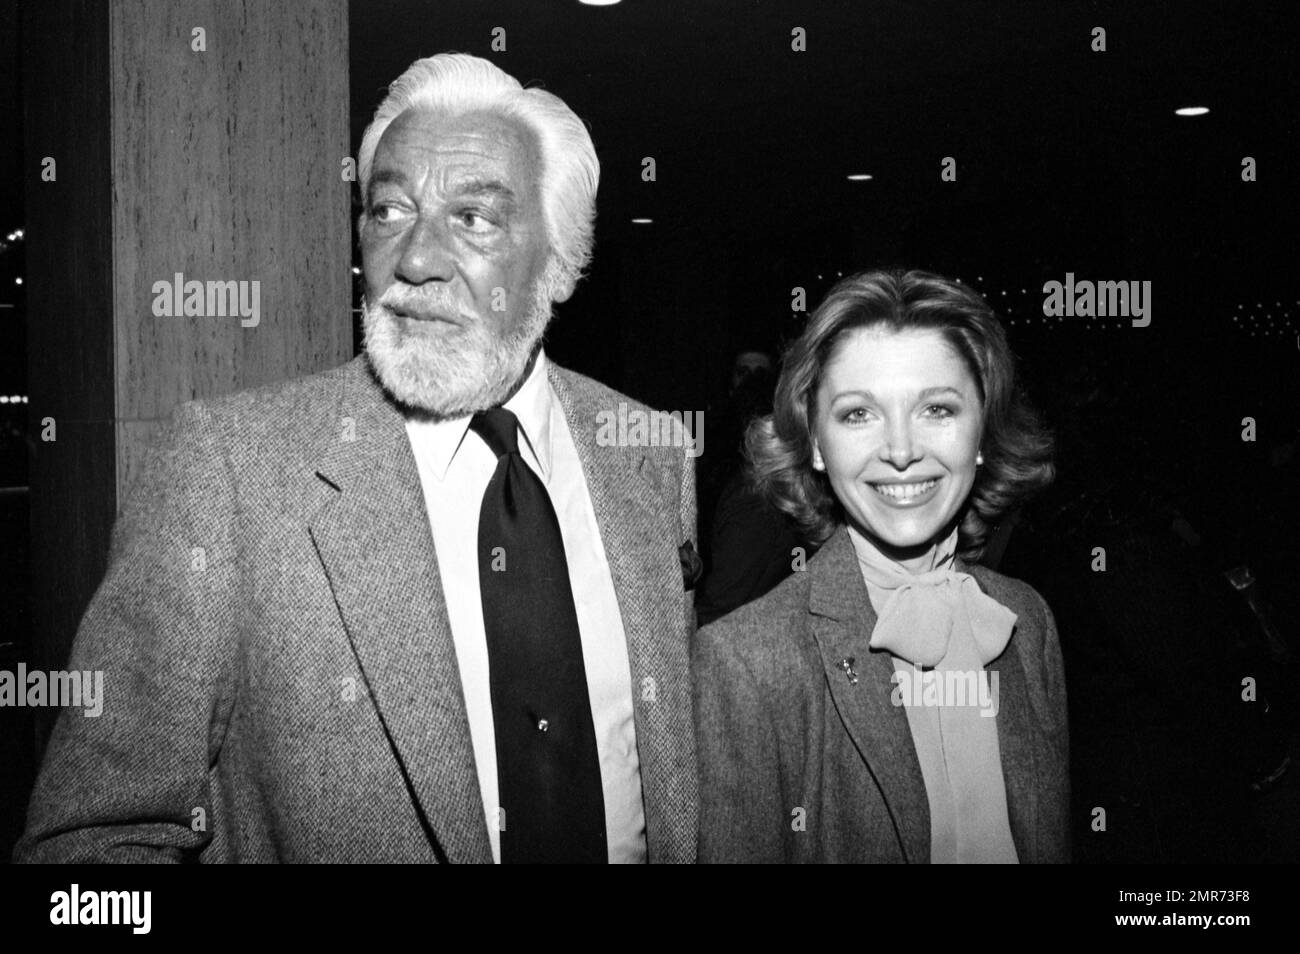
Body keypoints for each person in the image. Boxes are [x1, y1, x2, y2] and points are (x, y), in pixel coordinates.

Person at [16, 53, 698, 864]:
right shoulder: (230, 473)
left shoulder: (649, 455)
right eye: (389, 210)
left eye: (473, 218)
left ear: (557, 264)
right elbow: (85, 851)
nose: (415, 260)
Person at [693, 268, 1066, 863]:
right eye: (858, 414)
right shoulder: (746, 665)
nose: (901, 450)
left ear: (982, 431)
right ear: (816, 443)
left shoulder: (1026, 620)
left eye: (937, 409)